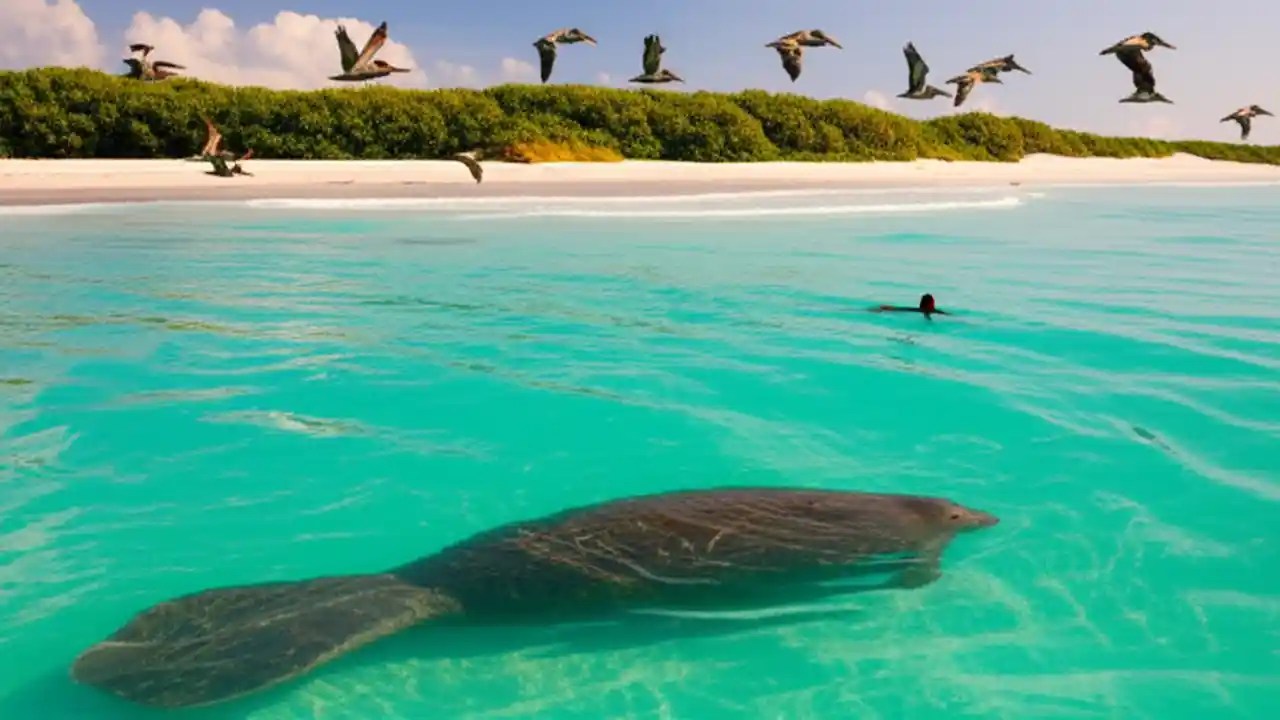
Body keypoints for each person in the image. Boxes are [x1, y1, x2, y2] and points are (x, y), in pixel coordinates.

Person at [871, 293, 949, 319]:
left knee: (892, 309)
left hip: (902, 310)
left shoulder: (916, 309)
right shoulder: (935, 311)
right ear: (931, 303)